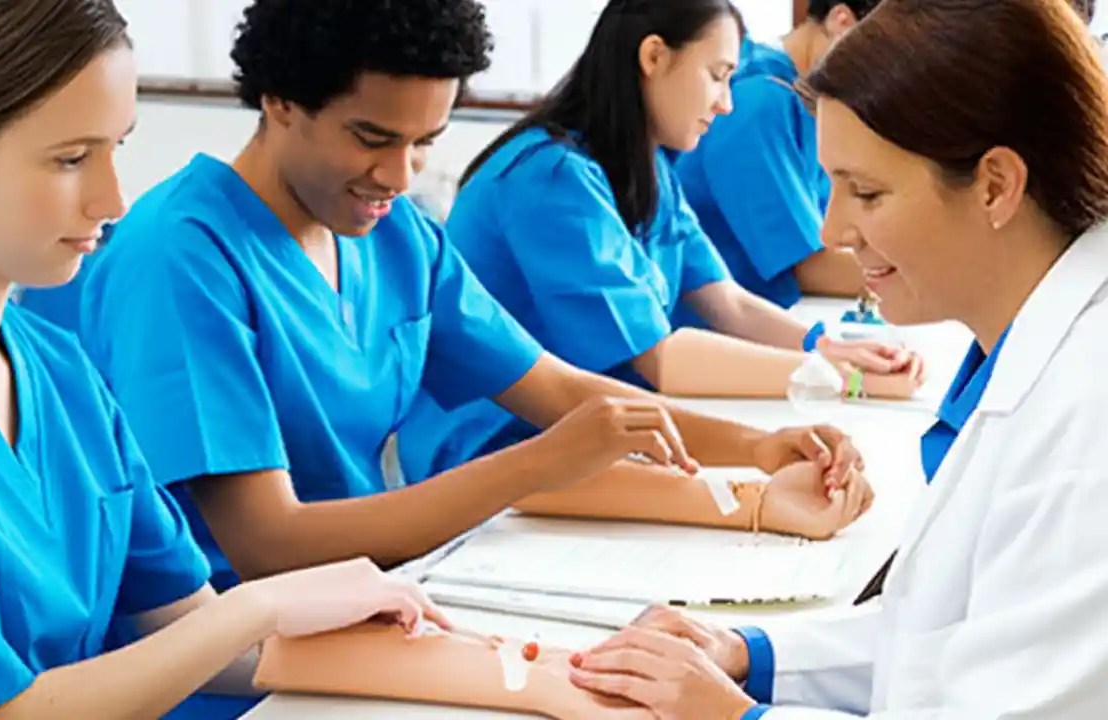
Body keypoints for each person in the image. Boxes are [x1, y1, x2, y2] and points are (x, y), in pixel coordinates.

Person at [78, 0, 871, 602]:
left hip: (374, 592)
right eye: (371, 137)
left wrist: (756, 445)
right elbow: (267, 542)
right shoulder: (183, 257)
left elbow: (555, 387)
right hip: (237, 638)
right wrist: (533, 465)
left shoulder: (396, 237)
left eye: (424, 141)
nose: (400, 175)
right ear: (279, 100)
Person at [0, 2, 452, 718]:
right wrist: (259, 606)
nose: (112, 198)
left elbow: (183, 624)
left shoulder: (57, 370)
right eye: (70, 159)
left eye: (115, 149)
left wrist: (520, 671)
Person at [564, 1, 1108, 717]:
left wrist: (733, 715)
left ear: (995, 185)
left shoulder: (1086, 420)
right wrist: (748, 655)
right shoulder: (1038, 346)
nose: (832, 228)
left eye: (868, 193)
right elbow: (948, 635)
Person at [397, 0, 919, 485]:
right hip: (494, 447)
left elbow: (726, 302)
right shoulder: (552, 177)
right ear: (653, 56)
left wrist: (826, 347)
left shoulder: (648, 167)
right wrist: (838, 377)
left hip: (600, 426)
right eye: (716, 77)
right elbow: (659, 358)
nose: (726, 103)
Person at [674, 0, 881, 308]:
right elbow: (809, 267)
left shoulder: (807, 100)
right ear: (843, 21)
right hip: (719, 326)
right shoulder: (757, 101)